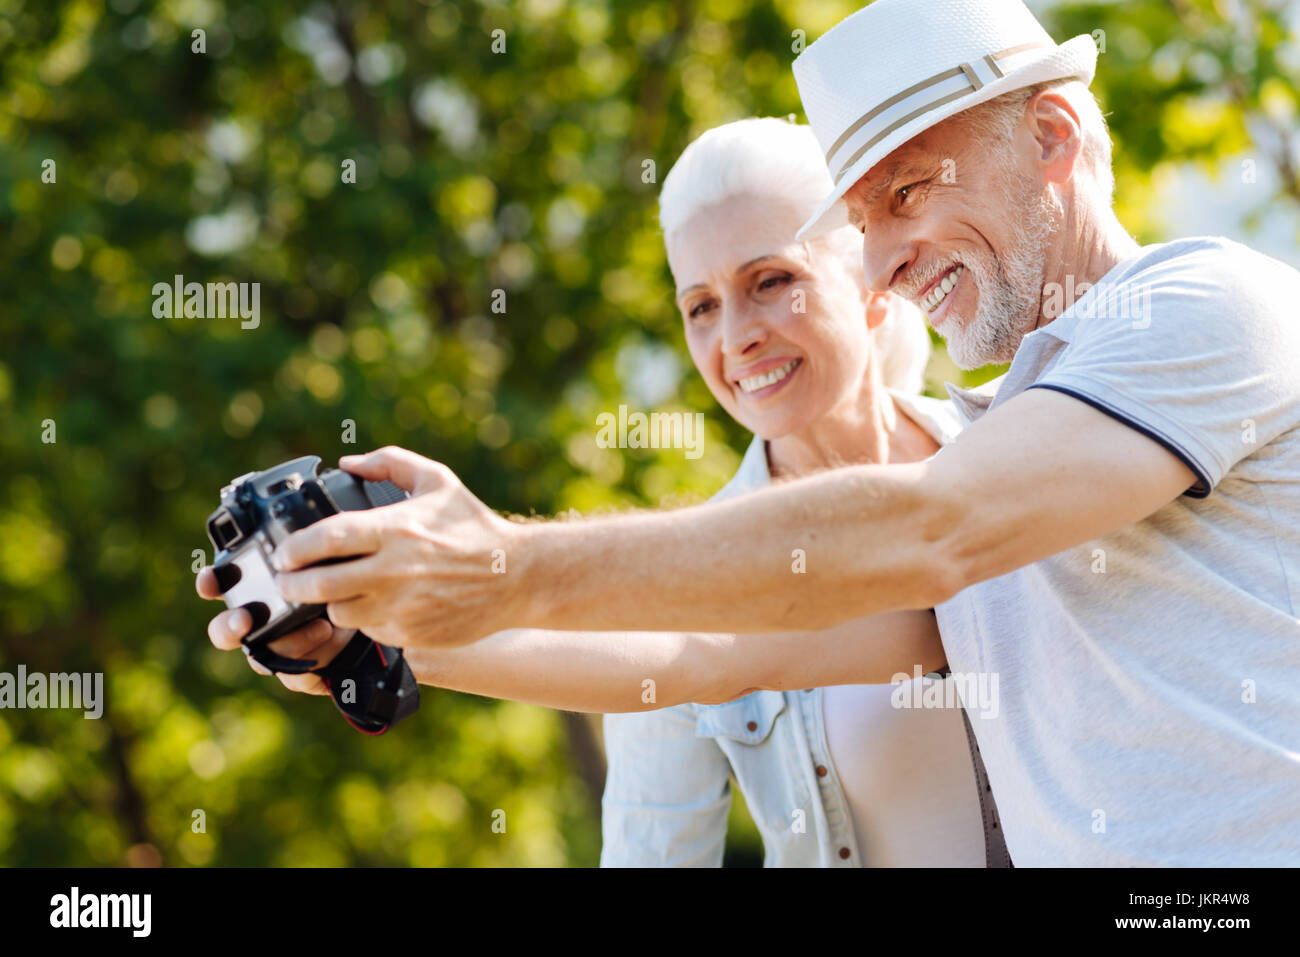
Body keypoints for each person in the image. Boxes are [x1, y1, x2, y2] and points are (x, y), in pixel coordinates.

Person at [246, 0, 1300, 866]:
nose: (883, 262)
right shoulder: (1005, 444)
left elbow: (936, 524)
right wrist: (384, 634)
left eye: (905, 193)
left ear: (1049, 139)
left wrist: (504, 560)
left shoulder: (1205, 302)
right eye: (861, 219)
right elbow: (703, 653)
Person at [200, 117, 1006, 867]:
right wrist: (390, 642)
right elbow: (687, 680)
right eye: (700, 305)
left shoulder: (1012, 446)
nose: (735, 336)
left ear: (871, 280)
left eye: (771, 280)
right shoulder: (661, 583)